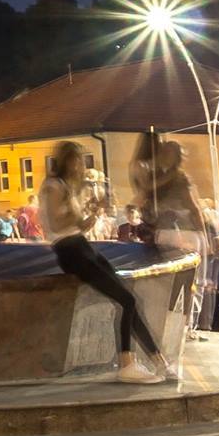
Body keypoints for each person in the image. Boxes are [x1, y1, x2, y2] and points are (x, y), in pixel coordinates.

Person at [40, 139, 168, 382]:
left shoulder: (68, 188)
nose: (81, 165)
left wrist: (93, 211)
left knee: (130, 299)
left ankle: (158, 360)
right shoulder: (54, 186)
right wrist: (81, 212)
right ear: (67, 160)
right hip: (70, 251)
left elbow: (77, 226)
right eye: (77, 159)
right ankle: (126, 364)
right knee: (126, 300)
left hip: (80, 245)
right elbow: (57, 224)